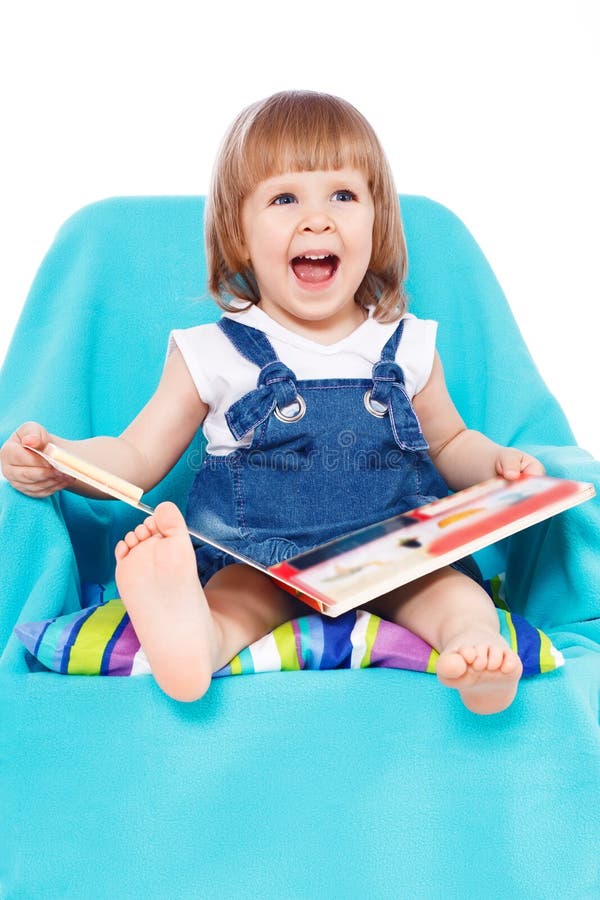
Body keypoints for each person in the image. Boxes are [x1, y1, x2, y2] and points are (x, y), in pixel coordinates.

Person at [0, 90, 544, 713]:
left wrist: (498, 464)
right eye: (285, 199)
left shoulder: (409, 342)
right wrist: (62, 459)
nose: (317, 220)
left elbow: (450, 443)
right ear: (238, 230)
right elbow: (134, 454)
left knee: (455, 598)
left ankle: (476, 656)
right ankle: (192, 639)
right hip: (265, 559)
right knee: (236, 602)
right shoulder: (213, 351)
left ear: (377, 219)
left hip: (394, 557)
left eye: (343, 195)